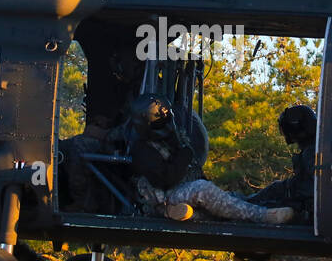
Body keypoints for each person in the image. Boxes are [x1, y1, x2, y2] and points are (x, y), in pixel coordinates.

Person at [126, 94, 293, 225]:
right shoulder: (142, 150)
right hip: (164, 198)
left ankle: (267, 206)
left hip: (179, 191)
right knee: (203, 190)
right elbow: (167, 178)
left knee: (230, 200)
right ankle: (263, 216)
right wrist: (184, 154)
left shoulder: (168, 138)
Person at [247, 104, 317, 222]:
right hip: (290, 191)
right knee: (273, 190)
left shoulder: (311, 152)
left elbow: (311, 190)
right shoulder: (312, 149)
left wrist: (292, 201)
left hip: (297, 198)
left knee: (256, 205)